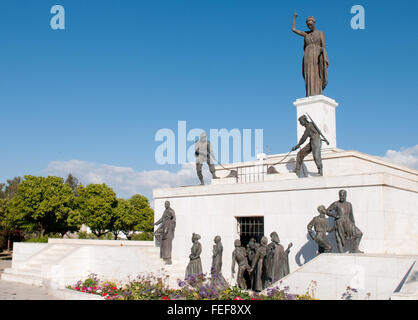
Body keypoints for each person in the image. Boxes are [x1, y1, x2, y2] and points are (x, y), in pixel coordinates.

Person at [292, 12, 329, 97]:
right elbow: (293, 29)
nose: (309, 26)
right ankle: (309, 93)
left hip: (317, 54)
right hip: (308, 55)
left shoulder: (320, 33)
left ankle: (317, 92)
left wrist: (325, 57)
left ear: (314, 23)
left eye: (311, 24)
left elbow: (323, 46)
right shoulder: (306, 34)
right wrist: (294, 18)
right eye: (308, 25)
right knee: (308, 73)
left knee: (316, 72)